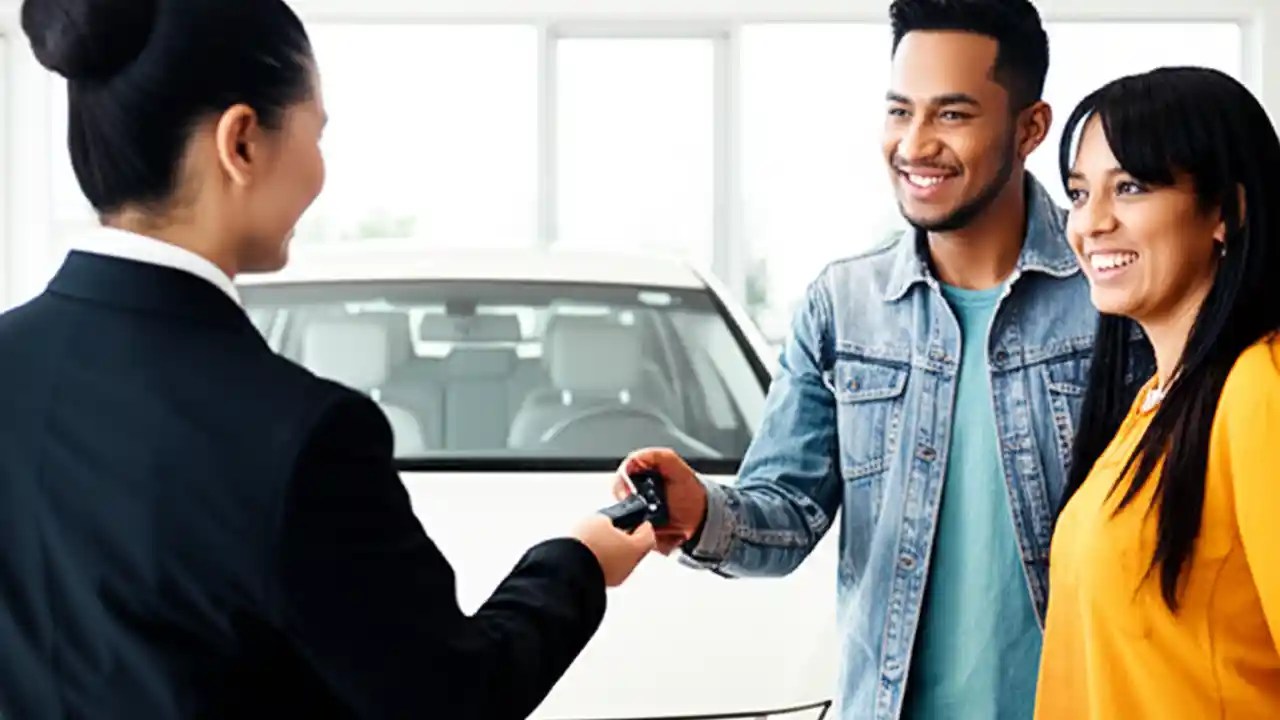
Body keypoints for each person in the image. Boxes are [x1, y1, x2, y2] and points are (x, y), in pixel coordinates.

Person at [0, 0, 655, 717]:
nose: (319, 168)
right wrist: (584, 558)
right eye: (318, 133)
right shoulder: (298, 436)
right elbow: (455, 698)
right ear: (242, 142)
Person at [617, 1, 1148, 718]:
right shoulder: (844, 305)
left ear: (1029, 128)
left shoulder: (1113, 299)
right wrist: (699, 509)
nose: (916, 144)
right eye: (901, 112)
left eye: (953, 115)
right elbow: (789, 512)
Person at [1034, 66, 1280, 719]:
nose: (1093, 223)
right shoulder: (1150, 404)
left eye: (1133, 187)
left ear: (1227, 210)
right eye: (1080, 193)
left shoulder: (1261, 387)